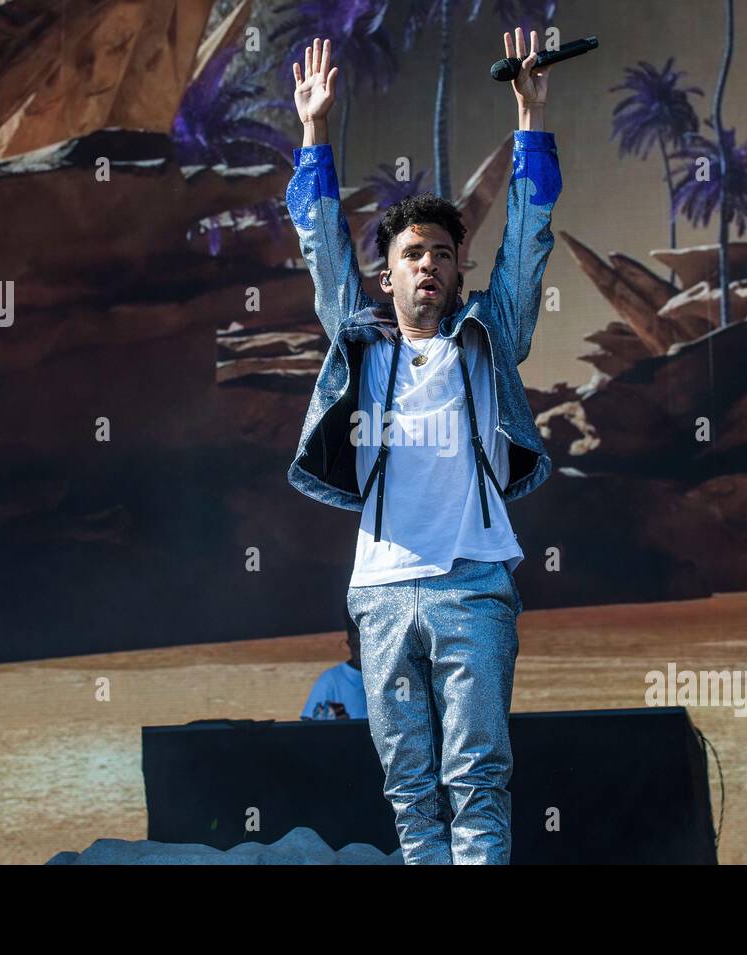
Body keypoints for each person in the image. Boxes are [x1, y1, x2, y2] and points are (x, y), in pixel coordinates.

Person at [284, 29, 560, 864]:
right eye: (413, 254)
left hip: (473, 584)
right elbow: (318, 236)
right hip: (380, 594)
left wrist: (531, 118)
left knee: (476, 779)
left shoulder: (488, 335)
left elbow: (532, 230)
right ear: (389, 277)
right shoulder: (359, 345)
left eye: (444, 252)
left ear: (459, 269)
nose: (430, 264)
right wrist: (314, 132)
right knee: (410, 793)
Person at [300, 605, 368, 720]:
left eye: (366, 646)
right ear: (348, 645)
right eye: (357, 646)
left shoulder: (386, 678)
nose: (362, 653)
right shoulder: (330, 680)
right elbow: (307, 723)